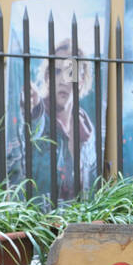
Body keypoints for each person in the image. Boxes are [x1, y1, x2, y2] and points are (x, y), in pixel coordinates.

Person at [26, 39, 97, 202]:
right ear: (47, 77)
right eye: (56, 72)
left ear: (82, 80)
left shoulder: (86, 129)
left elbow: (92, 187)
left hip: (79, 221)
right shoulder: (36, 116)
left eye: (70, 73)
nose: (63, 80)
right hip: (41, 223)